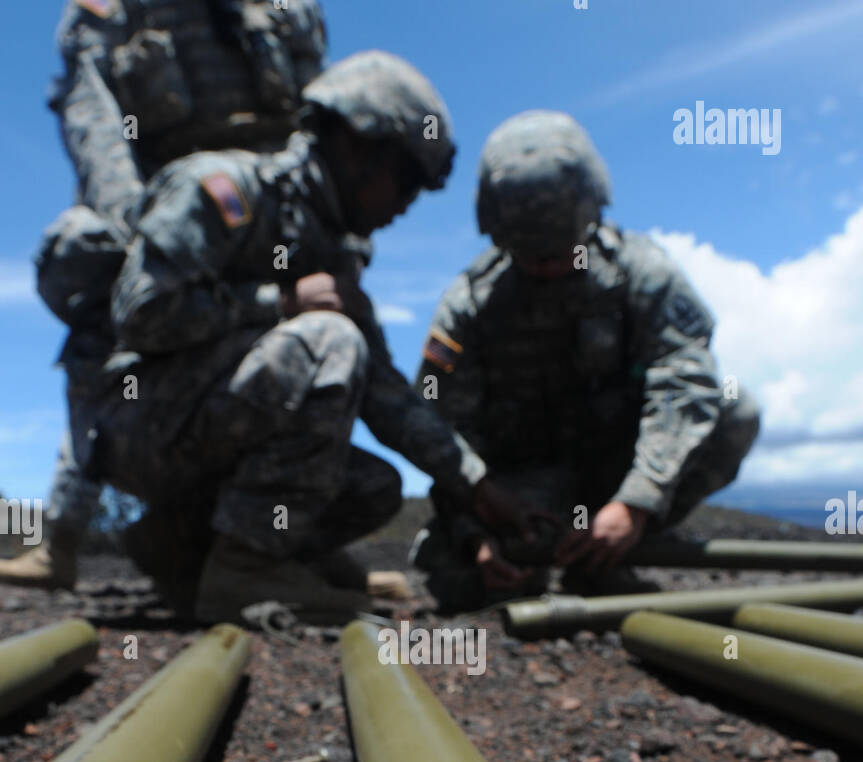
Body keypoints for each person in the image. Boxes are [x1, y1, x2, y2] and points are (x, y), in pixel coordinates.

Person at [39, 51, 519, 623]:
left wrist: (476, 483)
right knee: (331, 339)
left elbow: (387, 399)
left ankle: (181, 548)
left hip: (205, 430)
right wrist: (282, 303)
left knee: (374, 487)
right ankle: (242, 571)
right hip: (138, 426)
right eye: (404, 181)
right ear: (356, 143)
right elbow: (143, 311)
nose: (404, 207)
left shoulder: (333, 249)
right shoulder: (224, 190)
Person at [0, 0, 328, 592]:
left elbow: (317, 115)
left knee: (324, 331)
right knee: (84, 253)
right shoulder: (112, 9)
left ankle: (299, 545)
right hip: (156, 209)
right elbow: (91, 110)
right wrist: (137, 221)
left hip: (264, 208)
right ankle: (63, 536)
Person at [412, 110, 761, 613]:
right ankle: (513, 556)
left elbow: (685, 381)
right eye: (532, 257)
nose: (549, 268)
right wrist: (475, 531)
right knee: (482, 574)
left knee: (736, 413)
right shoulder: (469, 307)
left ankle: (614, 547)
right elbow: (445, 435)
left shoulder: (640, 272)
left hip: (621, 473)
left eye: (561, 252)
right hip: (529, 495)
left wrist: (637, 499)